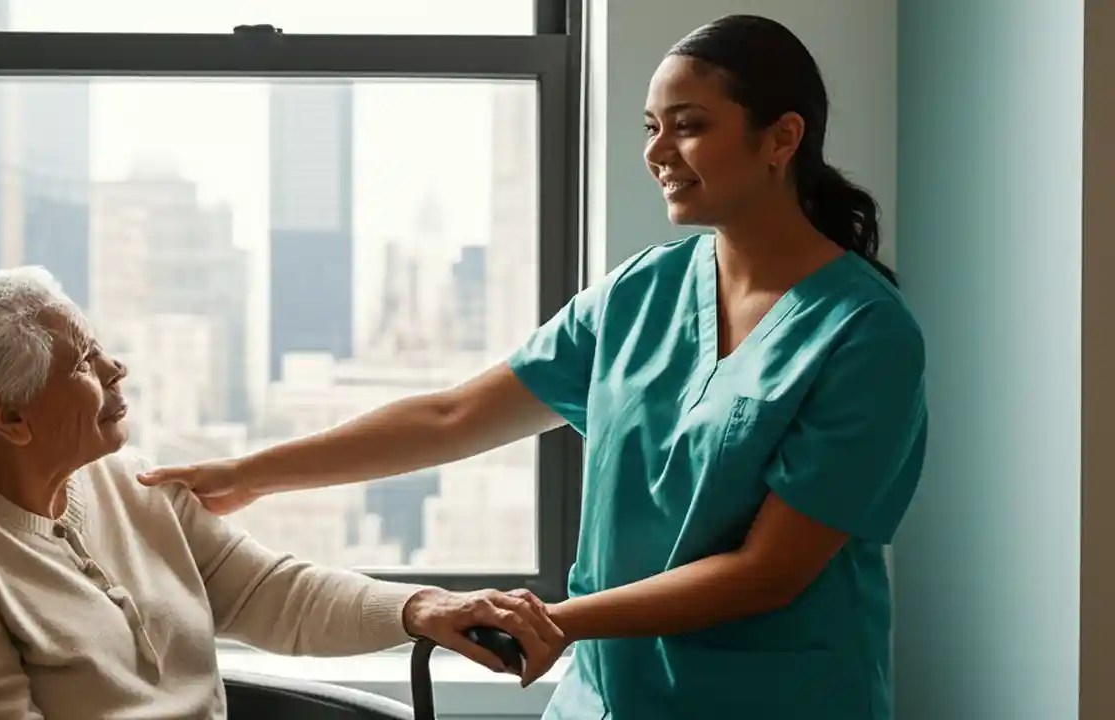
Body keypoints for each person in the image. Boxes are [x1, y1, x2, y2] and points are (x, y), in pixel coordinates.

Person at [139, 14, 928, 720]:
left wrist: (552, 620)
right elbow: (452, 417)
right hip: (606, 697)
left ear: (782, 138)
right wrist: (252, 474)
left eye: (688, 126)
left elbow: (767, 574)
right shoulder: (642, 291)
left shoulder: (864, 334)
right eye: (650, 126)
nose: (657, 152)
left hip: (779, 699)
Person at [0, 267, 565, 719]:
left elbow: (268, 593)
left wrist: (420, 607)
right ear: (9, 417)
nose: (116, 367)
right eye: (85, 361)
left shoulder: (130, 480)